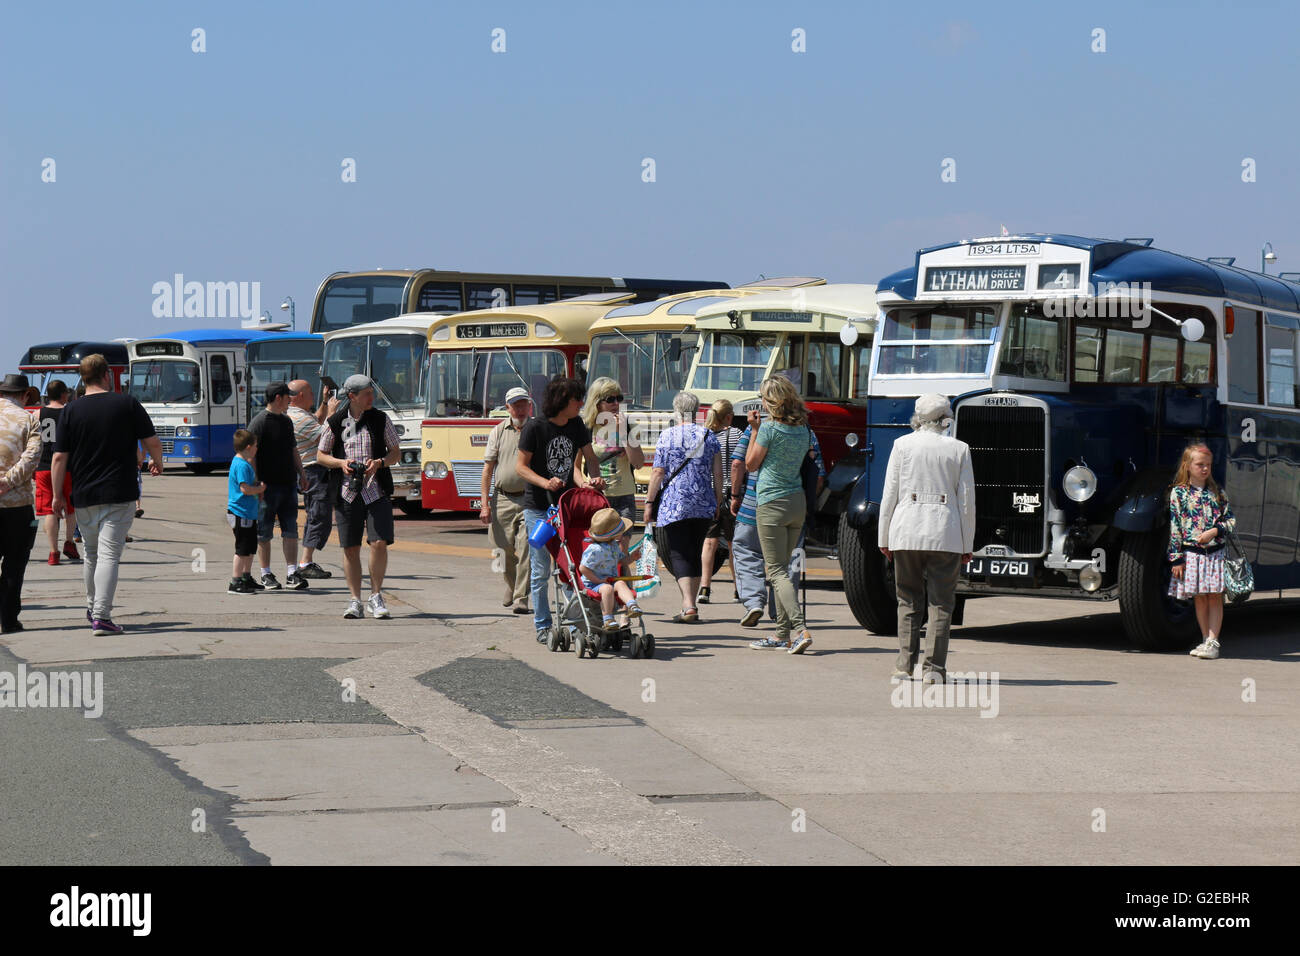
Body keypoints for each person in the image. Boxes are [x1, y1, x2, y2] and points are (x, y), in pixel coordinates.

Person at [50, 354, 164, 635]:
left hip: (84, 493)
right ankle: (102, 616)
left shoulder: (71, 411)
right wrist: (157, 461)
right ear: (106, 376)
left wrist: (57, 496)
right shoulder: (127, 404)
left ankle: (92, 608)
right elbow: (152, 441)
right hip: (119, 491)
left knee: (91, 554)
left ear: (83, 378)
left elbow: (58, 458)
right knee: (109, 555)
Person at [878, 393, 975, 683]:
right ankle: (934, 669)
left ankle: (904, 666)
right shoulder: (959, 449)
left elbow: (890, 494)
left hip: (906, 530)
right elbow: (966, 502)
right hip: (945, 532)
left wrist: (884, 536)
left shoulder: (901, 445)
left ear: (918, 418)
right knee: (942, 602)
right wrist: (967, 543)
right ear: (946, 418)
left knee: (907, 599)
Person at [517, 376, 607, 643]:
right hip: (539, 508)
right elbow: (520, 467)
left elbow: (590, 459)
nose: (581, 404)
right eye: (576, 399)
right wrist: (546, 482)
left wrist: (592, 481)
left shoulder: (577, 424)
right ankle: (543, 626)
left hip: (567, 507)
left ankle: (579, 622)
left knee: (571, 566)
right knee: (541, 569)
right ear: (561, 401)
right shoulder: (535, 427)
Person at [316, 375, 401, 620]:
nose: (371, 398)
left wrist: (381, 462)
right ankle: (355, 600)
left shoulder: (380, 419)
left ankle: (376, 596)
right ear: (352, 396)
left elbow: (396, 452)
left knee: (379, 542)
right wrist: (341, 463)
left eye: (371, 393)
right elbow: (321, 455)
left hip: (377, 490)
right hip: (346, 493)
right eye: (366, 394)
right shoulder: (336, 421)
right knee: (350, 547)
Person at [730, 414, 825, 627]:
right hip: (794, 504)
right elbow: (818, 474)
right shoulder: (805, 430)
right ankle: (782, 613)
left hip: (756, 503)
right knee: (788, 560)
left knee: (746, 549)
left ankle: (754, 602)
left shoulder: (758, 427)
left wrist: (735, 496)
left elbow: (739, 463)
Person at [744, 376, 816, 653]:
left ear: (771, 401)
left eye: (763, 397)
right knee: (784, 571)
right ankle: (781, 634)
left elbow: (751, 464)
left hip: (771, 501)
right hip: (796, 501)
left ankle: (800, 629)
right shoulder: (803, 430)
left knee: (774, 571)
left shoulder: (769, 429)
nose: (761, 401)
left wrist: (753, 430)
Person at [645, 391, 721, 624]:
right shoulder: (709, 435)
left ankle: (688, 604)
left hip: (674, 503)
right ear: (697, 410)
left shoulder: (667, 436)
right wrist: (718, 501)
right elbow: (717, 473)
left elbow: (658, 472)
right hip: (703, 502)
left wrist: (649, 502)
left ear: (676, 410)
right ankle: (692, 604)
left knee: (678, 552)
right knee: (695, 550)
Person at [1168, 443, 1235, 660]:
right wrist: (1176, 558)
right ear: (1187, 466)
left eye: (1208, 465)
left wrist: (1215, 531)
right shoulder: (1178, 493)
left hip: (1215, 553)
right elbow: (1175, 527)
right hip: (1192, 554)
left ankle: (1213, 641)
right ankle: (1205, 638)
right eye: (1200, 464)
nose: (1205, 469)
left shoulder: (1217, 492)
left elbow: (1231, 520)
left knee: (1215, 596)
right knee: (1199, 598)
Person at [248, 382, 310, 591]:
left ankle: (292, 572)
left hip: (288, 484)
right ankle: (266, 574)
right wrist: (256, 484)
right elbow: (250, 456)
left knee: (290, 530)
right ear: (277, 398)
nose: (290, 400)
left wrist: (301, 473)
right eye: (287, 397)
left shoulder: (286, 421)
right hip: (267, 487)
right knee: (264, 532)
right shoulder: (259, 423)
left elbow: (293, 449)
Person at [481, 386, 534, 614]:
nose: (520, 409)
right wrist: (484, 504)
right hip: (502, 498)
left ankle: (522, 597)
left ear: (529, 406)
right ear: (507, 408)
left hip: (530, 499)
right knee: (500, 550)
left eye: (524, 404)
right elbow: (487, 470)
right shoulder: (498, 431)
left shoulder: (536, 429)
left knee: (527, 548)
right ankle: (511, 586)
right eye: (516, 405)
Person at [0, 374, 42, 634]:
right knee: (15, 563)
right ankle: (9, 619)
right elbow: (32, 458)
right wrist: (6, 482)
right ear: (25, 395)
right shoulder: (29, 420)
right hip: (17, 506)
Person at [287, 379, 339, 579]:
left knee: (316, 514)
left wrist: (325, 404)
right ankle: (305, 562)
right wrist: (332, 413)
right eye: (310, 392)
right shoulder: (298, 418)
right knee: (318, 514)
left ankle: (305, 560)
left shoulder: (298, 415)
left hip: (310, 471)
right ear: (300, 395)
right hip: (313, 471)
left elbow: (316, 420)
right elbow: (324, 437)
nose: (313, 395)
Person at [582, 377, 645, 541]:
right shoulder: (587, 428)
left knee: (621, 554)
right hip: (597, 498)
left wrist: (623, 432)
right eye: (610, 399)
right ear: (597, 403)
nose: (616, 403)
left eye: (619, 398)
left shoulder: (629, 425)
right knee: (600, 553)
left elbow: (638, 463)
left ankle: (624, 567)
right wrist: (585, 484)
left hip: (625, 497)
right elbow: (575, 467)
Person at [698, 399, 742, 604]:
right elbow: (742, 464)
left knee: (709, 543)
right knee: (735, 545)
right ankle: (738, 589)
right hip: (732, 496)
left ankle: (705, 588)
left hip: (710, 496)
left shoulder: (705, 436)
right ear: (729, 417)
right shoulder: (737, 435)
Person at [34, 380, 78, 565]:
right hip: (68, 466)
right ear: (63, 394)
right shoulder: (70, 412)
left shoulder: (37, 413)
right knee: (70, 506)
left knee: (49, 511)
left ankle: (53, 552)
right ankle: (69, 540)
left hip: (44, 467)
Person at [578, 507, 643, 631]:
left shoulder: (613, 545)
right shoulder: (594, 550)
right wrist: (598, 580)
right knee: (607, 589)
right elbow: (583, 568)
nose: (623, 533)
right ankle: (608, 618)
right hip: (593, 583)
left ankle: (631, 605)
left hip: (611, 579)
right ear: (612, 535)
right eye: (621, 531)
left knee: (621, 583)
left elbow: (621, 561)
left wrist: (632, 558)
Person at [226, 429, 266, 594]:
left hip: (248, 513)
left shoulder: (244, 463)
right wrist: (260, 488)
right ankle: (235, 582)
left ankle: (246, 577)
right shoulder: (242, 464)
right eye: (256, 446)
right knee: (242, 549)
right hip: (240, 513)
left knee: (250, 547)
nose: (257, 449)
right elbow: (244, 489)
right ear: (249, 447)